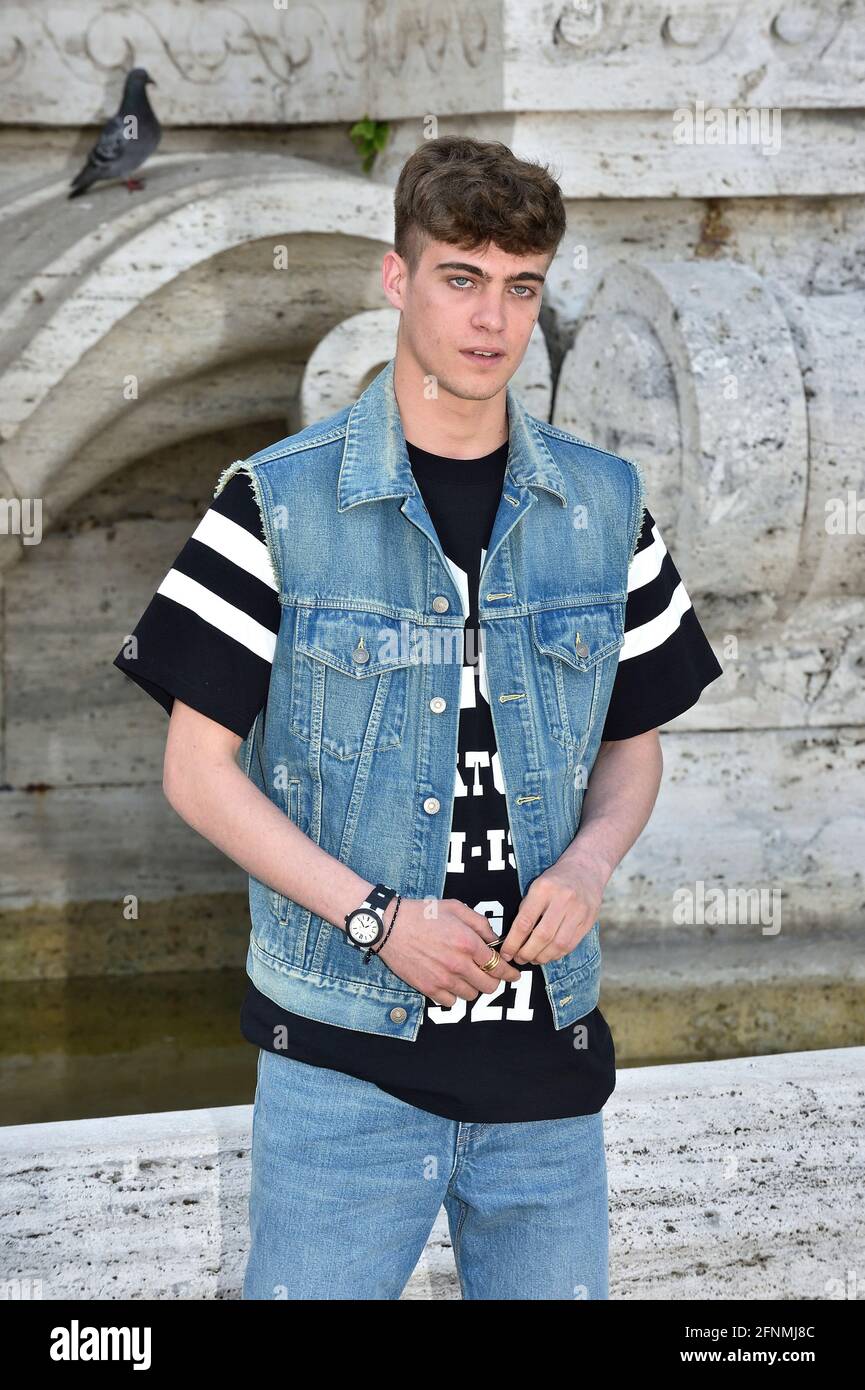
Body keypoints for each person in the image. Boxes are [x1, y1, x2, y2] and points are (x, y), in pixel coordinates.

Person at [113, 135, 723, 1299]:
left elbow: (633, 748)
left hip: (547, 1071)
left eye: (520, 285)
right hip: (343, 1068)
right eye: (461, 276)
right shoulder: (274, 501)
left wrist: (590, 868)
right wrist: (377, 919)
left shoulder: (605, 505)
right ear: (399, 281)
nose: (491, 318)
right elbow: (197, 771)